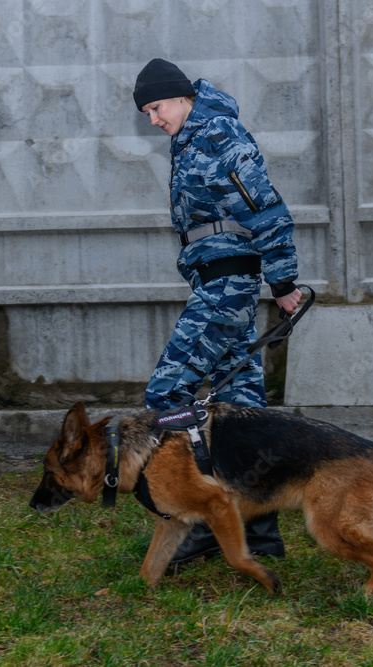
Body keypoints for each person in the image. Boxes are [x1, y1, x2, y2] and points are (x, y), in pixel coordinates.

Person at [133, 58, 302, 563]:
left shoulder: (216, 133)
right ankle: (257, 531)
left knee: (167, 394)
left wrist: (284, 281)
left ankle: (202, 516)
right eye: (146, 112)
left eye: (156, 107)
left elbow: (265, 206)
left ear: (181, 96)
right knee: (242, 409)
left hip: (228, 284)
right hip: (219, 279)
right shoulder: (191, 136)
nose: (153, 119)